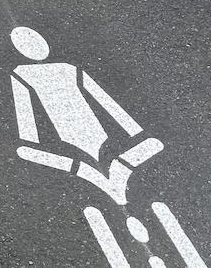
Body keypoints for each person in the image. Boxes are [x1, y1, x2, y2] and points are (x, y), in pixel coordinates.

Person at [9, 26, 162, 206]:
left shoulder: (69, 69)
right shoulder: (22, 74)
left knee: (139, 149)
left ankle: (110, 176)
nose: (37, 46)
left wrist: (132, 129)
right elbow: (26, 118)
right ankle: (111, 175)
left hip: (97, 138)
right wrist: (31, 143)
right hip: (68, 143)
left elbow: (104, 100)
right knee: (30, 152)